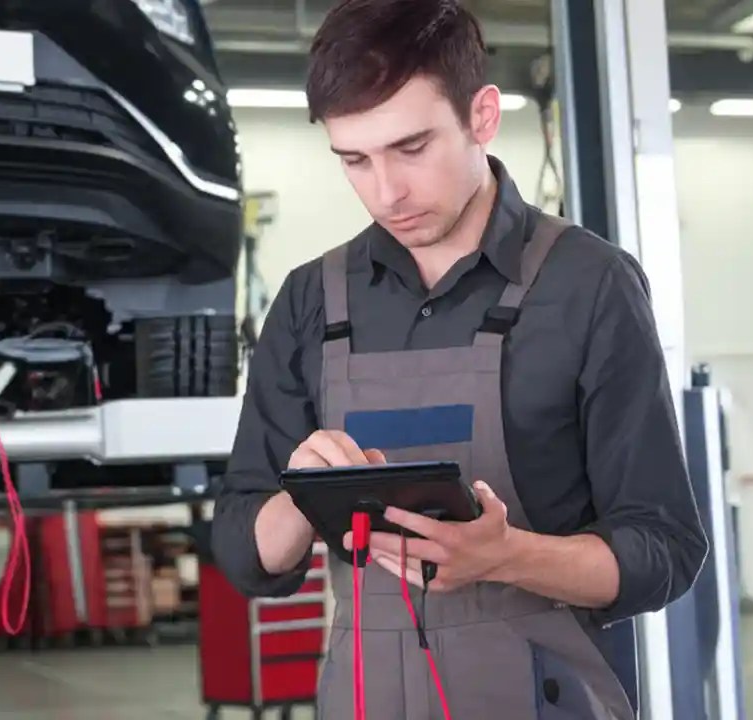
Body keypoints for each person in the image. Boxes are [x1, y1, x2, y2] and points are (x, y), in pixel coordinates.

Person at [211, 0, 708, 717]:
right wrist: (301, 497)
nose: (387, 191)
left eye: (412, 148)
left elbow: (664, 549)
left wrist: (508, 556)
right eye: (355, 160)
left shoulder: (589, 285)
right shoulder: (309, 301)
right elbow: (243, 550)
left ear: (482, 116)